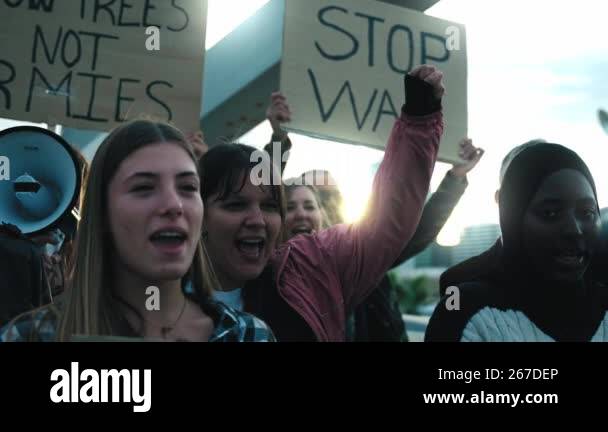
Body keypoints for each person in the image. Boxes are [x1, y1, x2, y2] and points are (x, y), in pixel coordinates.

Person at [200, 64, 444, 341]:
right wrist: (278, 139)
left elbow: (389, 219)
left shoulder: (313, 266)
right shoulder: (157, 286)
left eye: (270, 207)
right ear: (198, 213)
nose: (257, 220)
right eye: (235, 205)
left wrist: (419, 121)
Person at [1, 120, 274, 342]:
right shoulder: (30, 336)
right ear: (103, 213)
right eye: (144, 188)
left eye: (188, 187)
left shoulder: (249, 336)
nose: (174, 204)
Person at [426, 143, 608, 342]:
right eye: (550, 213)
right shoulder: (461, 294)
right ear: (508, 205)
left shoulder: (599, 282)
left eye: (588, 213)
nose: (574, 229)